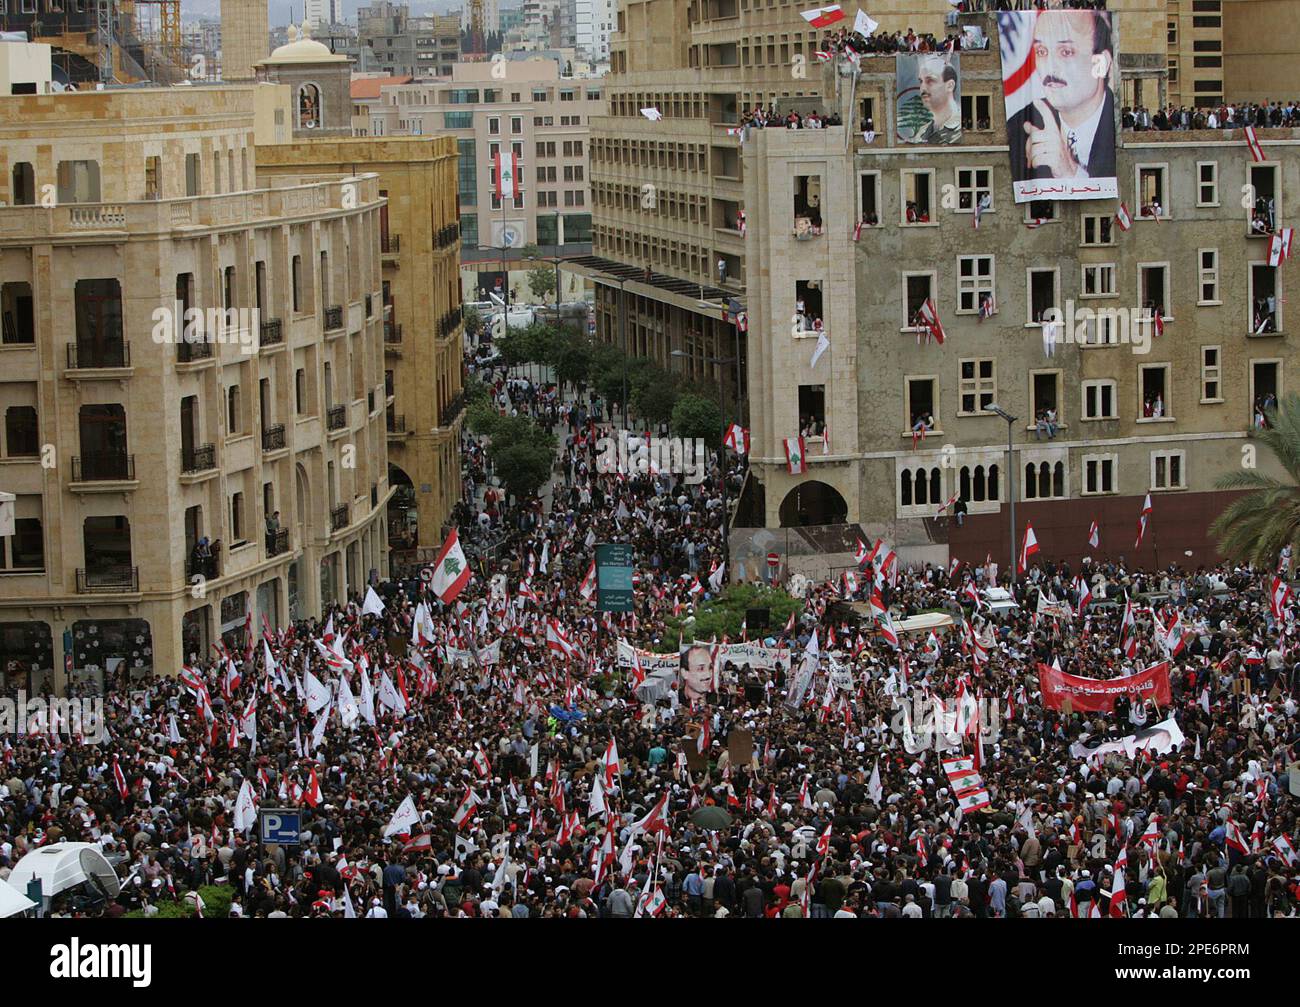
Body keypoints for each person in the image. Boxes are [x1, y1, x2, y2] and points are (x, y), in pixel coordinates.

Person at [1003, 9, 1117, 185]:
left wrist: (1071, 174)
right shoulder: (1018, 128)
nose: (1050, 67)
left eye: (1066, 52)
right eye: (1041, 51)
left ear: (1100, 64)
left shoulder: (1120, 124)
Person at [910, 56, 962, 144]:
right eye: (921, 81)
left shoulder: (960, 128)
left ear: (950, 86)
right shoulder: (921, 133)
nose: (922, 88)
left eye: (930, 81)